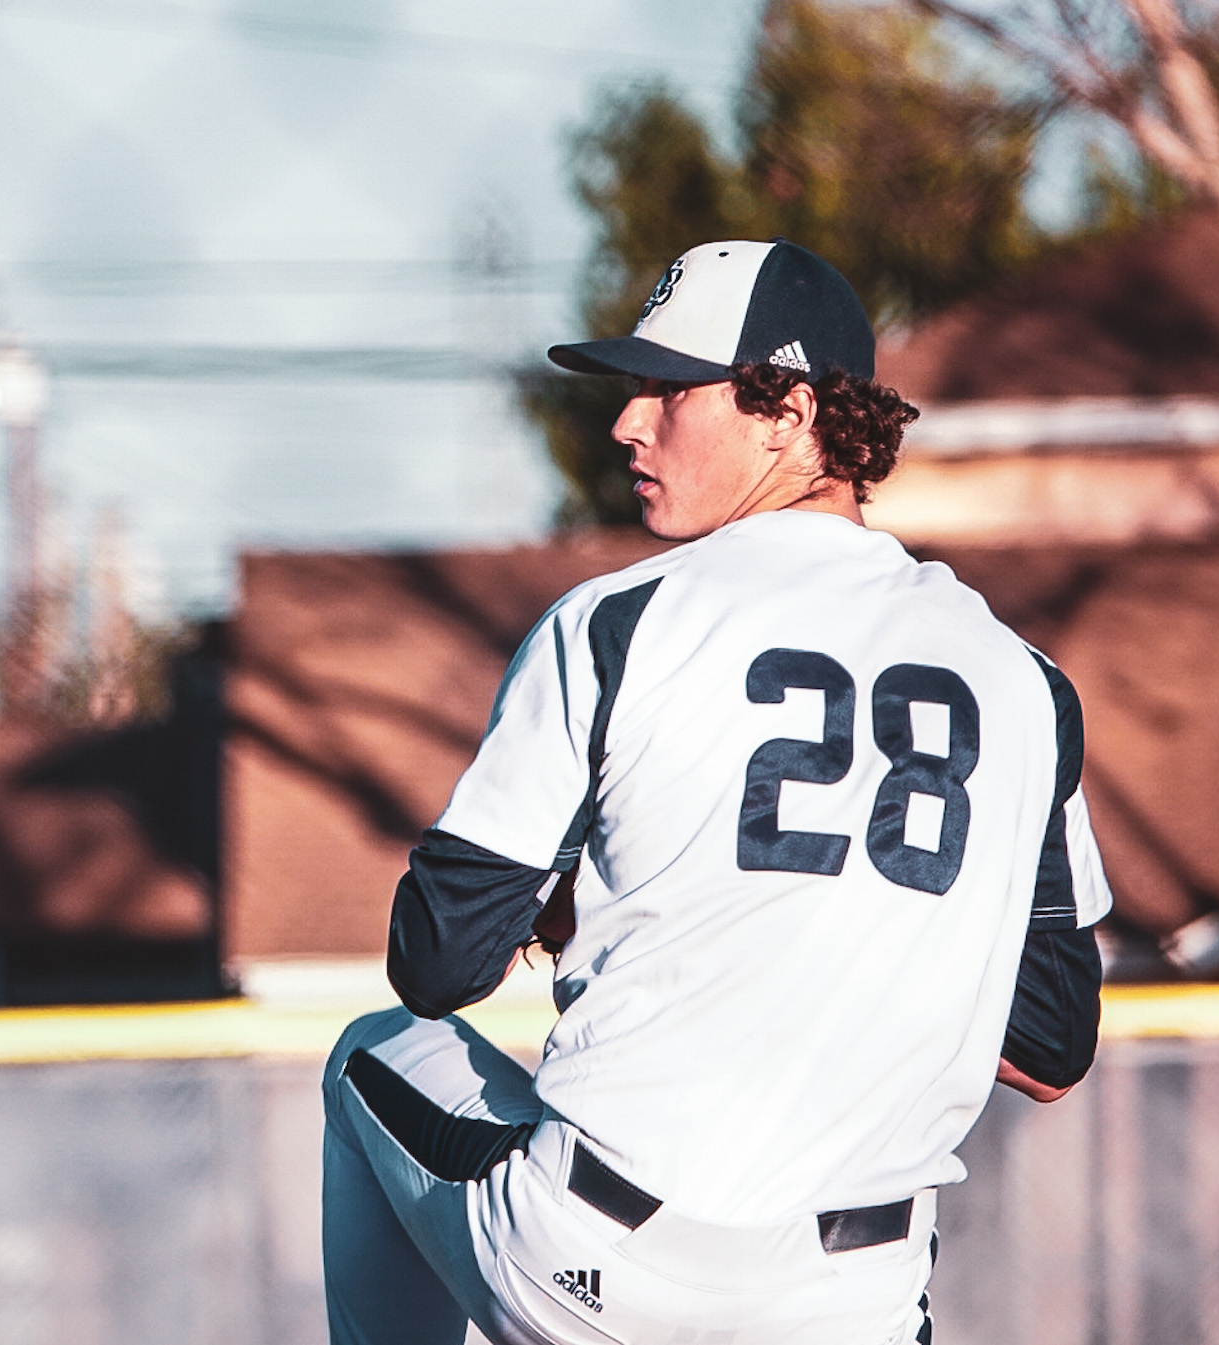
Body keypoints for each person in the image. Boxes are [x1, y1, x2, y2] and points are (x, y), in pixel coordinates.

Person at [320, 238, 1111, 1345]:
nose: (625, 423)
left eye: (664, 389)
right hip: (856, 1306)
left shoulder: (619, 621)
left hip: (595, 1270)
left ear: (787, 414)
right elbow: (1050, 1045)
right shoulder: (1025, 684)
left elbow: (433, 966)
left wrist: (568, 901)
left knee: (364, 1052)